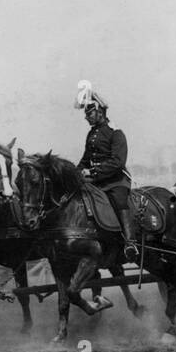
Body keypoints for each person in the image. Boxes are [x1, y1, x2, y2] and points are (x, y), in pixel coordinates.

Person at [75, 86, 138, 260]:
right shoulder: (92, 134)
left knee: (119, 200)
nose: (86, 117)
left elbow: (118, 162)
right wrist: (76, 172)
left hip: (116, 180)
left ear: (99, 112)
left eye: (89, 113)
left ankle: (130, 242)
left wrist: (93, 172)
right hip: (96, 181)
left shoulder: (116, 133)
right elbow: (85, 159)